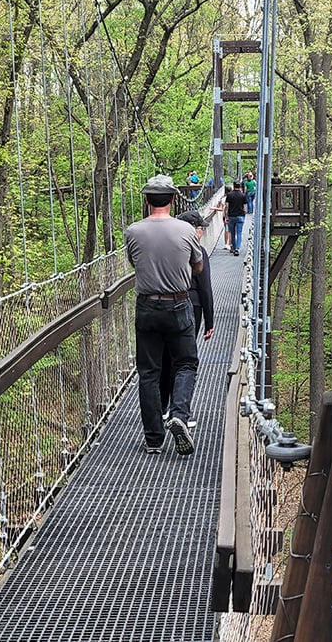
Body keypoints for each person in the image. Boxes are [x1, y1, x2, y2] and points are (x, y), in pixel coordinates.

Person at [125, 174, 202, 456]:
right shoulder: (186, 230)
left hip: (146, 307)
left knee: (148, 372)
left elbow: (135, 263)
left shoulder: (133, 231)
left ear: (146, 200)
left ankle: (153, 439)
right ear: (173, 199)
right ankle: (179, 414)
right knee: (185, 364)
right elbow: (199, 266)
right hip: (178, 305)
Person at [160, 210, 214, 427]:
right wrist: (210, 321)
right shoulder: (198, 251)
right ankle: (180, 412)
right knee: (185, 360)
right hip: (193, 307)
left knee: (165, 357)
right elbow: (206, 289)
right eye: (200, 229)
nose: (201, 233)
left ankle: (163, 408)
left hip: (163, 306)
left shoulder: (165, 250)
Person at [225, 180, 248, 256]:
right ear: (240, 186)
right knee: (239, 233)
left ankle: (234, 248)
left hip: (231, 216)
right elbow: (245, 208)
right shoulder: (243, 195)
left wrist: (226, 216)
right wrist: (244, 215)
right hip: (240, 216)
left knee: (232, 233)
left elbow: (227, 207)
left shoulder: (229, 195)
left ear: (233, 186)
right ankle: (237, 248)